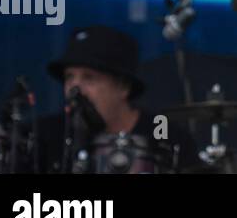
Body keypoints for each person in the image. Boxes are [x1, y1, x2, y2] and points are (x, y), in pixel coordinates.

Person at [34, 26, 199, 173]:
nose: (75, 88)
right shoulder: (46, 137)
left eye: (89, 78)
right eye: (69, 77)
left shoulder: (164, 134)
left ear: (123, 87)